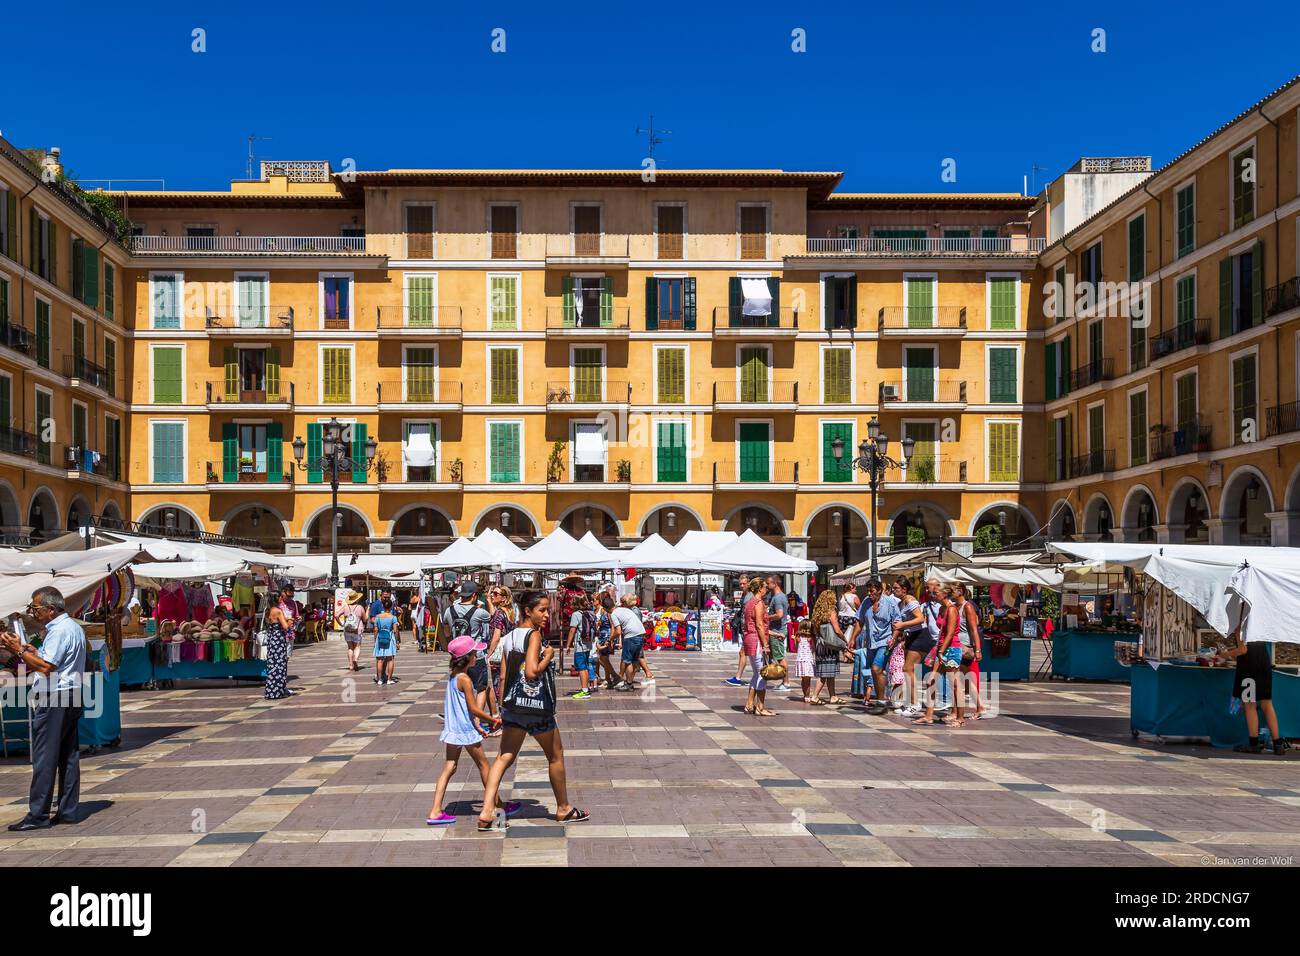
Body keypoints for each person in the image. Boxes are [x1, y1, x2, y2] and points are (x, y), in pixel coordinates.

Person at [477, 591, 588, 830]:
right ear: (528, 611)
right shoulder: (534, 635)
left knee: (503, 757)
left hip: (513, 707)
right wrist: (547, 656)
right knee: (555, 755)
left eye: (548, 610)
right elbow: (531, 672)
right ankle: (563, 808)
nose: (547, 615)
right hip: (536, 709)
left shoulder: (508, 637)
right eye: (542, 610)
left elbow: (505, 675)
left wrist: (502, 708)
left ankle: (487, 811)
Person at [2, 587, 85, 830]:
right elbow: (51, 660)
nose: (32, 612)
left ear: (51, 609)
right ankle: (68, 810)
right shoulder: (72, 627)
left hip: (55, 697)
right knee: (68, 756)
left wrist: (17, 650)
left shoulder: (59, 631)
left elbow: (47, 667)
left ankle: (38, 815)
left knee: (45, 758)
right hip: (72, 694)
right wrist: (29, 651)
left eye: (35, 608)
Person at [426, 635, 519, 825]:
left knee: (449, 767)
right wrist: (493, 719)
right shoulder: (465, 680)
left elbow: (461, 709)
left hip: (454, 729)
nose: (477, 655)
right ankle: (497, 805)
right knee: (485, 766)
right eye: (474, 653)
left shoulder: (453, 677)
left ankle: (435, 810)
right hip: (464, 731)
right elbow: (474, 708)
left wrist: (478, 725)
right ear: (467, 657)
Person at [1225, 636, 1290, 754]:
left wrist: (1223, 654)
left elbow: (1243, 650)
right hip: (1264, 663)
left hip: (1249, 667)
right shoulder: (1260, 621)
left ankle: (1253, 744)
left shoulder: (1241, 622)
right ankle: (1278, 744)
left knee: (1249, 705)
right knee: (1267, 703)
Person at [442, 581, 494, 730]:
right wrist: (489, 601)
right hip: (475, 655)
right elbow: (492, 616)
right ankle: (476, 720)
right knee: (481, 688)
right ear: (474, 595)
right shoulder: (479, 612)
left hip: (458, 657)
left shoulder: (449, 610)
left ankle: (463, 717)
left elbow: (446, 630)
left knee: (461, 688)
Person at [913, 580, 957, 725]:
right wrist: (937, 649)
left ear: (944, 594)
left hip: (951, 649)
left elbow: (950, 633)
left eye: (936, 593)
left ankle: (957, 715)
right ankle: (929, 715)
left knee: (954, 683)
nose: (933, 595)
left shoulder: (951, 609)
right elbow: (941, 633)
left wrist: (941, 651)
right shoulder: (941, 609)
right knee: (931, 680)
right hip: (941, 648)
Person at [859, 579, 899, 715]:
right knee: (874, 671)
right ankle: (880, 700)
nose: (869, 594)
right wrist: (852, 639)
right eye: (868, 591)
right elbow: (860, 621)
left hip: (886, 642)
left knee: (877, 668)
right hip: (871, 642)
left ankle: (882, 701)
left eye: (872, 591)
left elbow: (897, 623)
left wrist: (893, 638)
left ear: (880, 590)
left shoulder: (890, 603)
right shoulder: (866, 602)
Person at [951, 583, 988, 719]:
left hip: (965, 647)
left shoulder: (967, 607)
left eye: (952, 591)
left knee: (957, 679)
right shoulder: (955, 607)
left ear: (960, 591)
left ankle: (957, 712)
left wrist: (977, 649)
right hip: (957, 646)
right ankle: (978, 707)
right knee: (963, 680)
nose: (950, 593)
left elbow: (973, 629)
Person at [892, 578, 928, 716]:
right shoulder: (901, 602)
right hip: (911, 636)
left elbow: (920, 618)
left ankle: (915, 703)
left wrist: (902, 625)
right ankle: (910, 702)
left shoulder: (910, 600)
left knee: (908, 669)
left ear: (904, 589)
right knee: (908, 671)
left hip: (920, 635)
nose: (894, 590)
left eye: (896, 588)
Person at [741, 577, 775, 716]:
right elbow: (759, 625)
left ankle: (749, 705)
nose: (767, 589)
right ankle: (760, 707)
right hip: (757, 641)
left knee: (756, 674)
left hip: (749, 638)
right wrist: (765, 644)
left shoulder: (749, 603)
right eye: (765, 587)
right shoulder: (759, 603)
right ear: (760, 588)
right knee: (763, 674)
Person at [810, 588, 848, 705]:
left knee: (828, 673)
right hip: (830, 646)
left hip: (821, 645)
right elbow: (837, 630)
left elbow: (814, 631)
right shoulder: (831, 611)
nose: (836, 599)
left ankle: (833, 696)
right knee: (824, 674)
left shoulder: (817, 614)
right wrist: (844, 639)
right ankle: (815, 696)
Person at [485, 585, 515, 722]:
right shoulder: (509, 612)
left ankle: (503, 718)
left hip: (499, 653)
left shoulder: (499, 613)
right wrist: (489, 600)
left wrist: (489, 654)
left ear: (503, 597)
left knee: (498, 684)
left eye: (495, 594)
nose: (492, 595)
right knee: (508, 683)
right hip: (510, 651)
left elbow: (496, 636)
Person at [611, 594, 647, 691]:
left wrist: (610, 639)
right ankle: (629, 682)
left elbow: (618, 631)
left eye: (623, 602)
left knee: (627, 661)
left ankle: (628, 684)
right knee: (633, 661)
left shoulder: (616, 612)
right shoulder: (629, 610)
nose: (622, 604)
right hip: (639, 634)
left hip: (631, 636)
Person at [564, 593, 598, 700]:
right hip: (587, 644)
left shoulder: (576, 614)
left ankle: (584, 691)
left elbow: (572, 630)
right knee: (586, 667)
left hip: (580, 645)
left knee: (582, 668)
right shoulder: (589, 612)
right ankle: (586, 688)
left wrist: (568, 645)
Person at [725, 573, 753, 686]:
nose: (742, 586)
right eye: (740, 583)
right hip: (745, 629)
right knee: (744, 653)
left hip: (749, 629)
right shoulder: (744, 595)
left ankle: (738, 677)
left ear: (749, 583)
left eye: (744, 583)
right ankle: (739, 677)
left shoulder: (750, 596)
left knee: (745, 653)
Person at [765, 575, 791, 693]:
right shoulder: (778, 596)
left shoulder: (778, 598)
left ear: (775, 584)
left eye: (768, 583)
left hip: (777, 631)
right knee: (776, 657)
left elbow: (779, 614)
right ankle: (783, 681)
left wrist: (766, 617)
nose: (766, 585)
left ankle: (786, 682)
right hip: (777, 630)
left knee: (780, 657)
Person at [372, 597, 400, 685]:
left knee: (379, 659)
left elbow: (375, 630)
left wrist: (375, 639)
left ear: (383, 607)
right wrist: (397, 641)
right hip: (390, 638)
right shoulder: (393, 617)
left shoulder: (377, 617)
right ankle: (389, 679)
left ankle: (380, 679)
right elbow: (395, 630)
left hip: (380, 638)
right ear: (391, 607)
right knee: (390, 659)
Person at [595, 594, 621, 688]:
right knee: (604, 658)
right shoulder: (604, 610)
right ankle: (608, 679)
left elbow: (613, 626)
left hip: (607, 635)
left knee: (601, 658)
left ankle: (614, 676)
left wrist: (610, 639)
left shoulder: (609, 612)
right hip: (603, 635)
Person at [341, 589, 368, 672]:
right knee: (357, 647)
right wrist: (368, 610)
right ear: (357, 599)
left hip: (347, 629)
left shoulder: (345, 607)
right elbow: (365, 619)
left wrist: (341, 624)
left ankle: (350, 665)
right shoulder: (359, 607)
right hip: (357, 630)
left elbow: (336, 615)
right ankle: (355, 659)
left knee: (350, 647)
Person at [793, 618, 817, 702]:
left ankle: (805, 695)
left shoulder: (798, 637)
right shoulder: (810, 638)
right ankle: (807, 696)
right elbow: (814, 648)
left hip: (800, 660)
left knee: (803, 680)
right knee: (808, 680)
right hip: (808, 660)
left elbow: (796, 647)